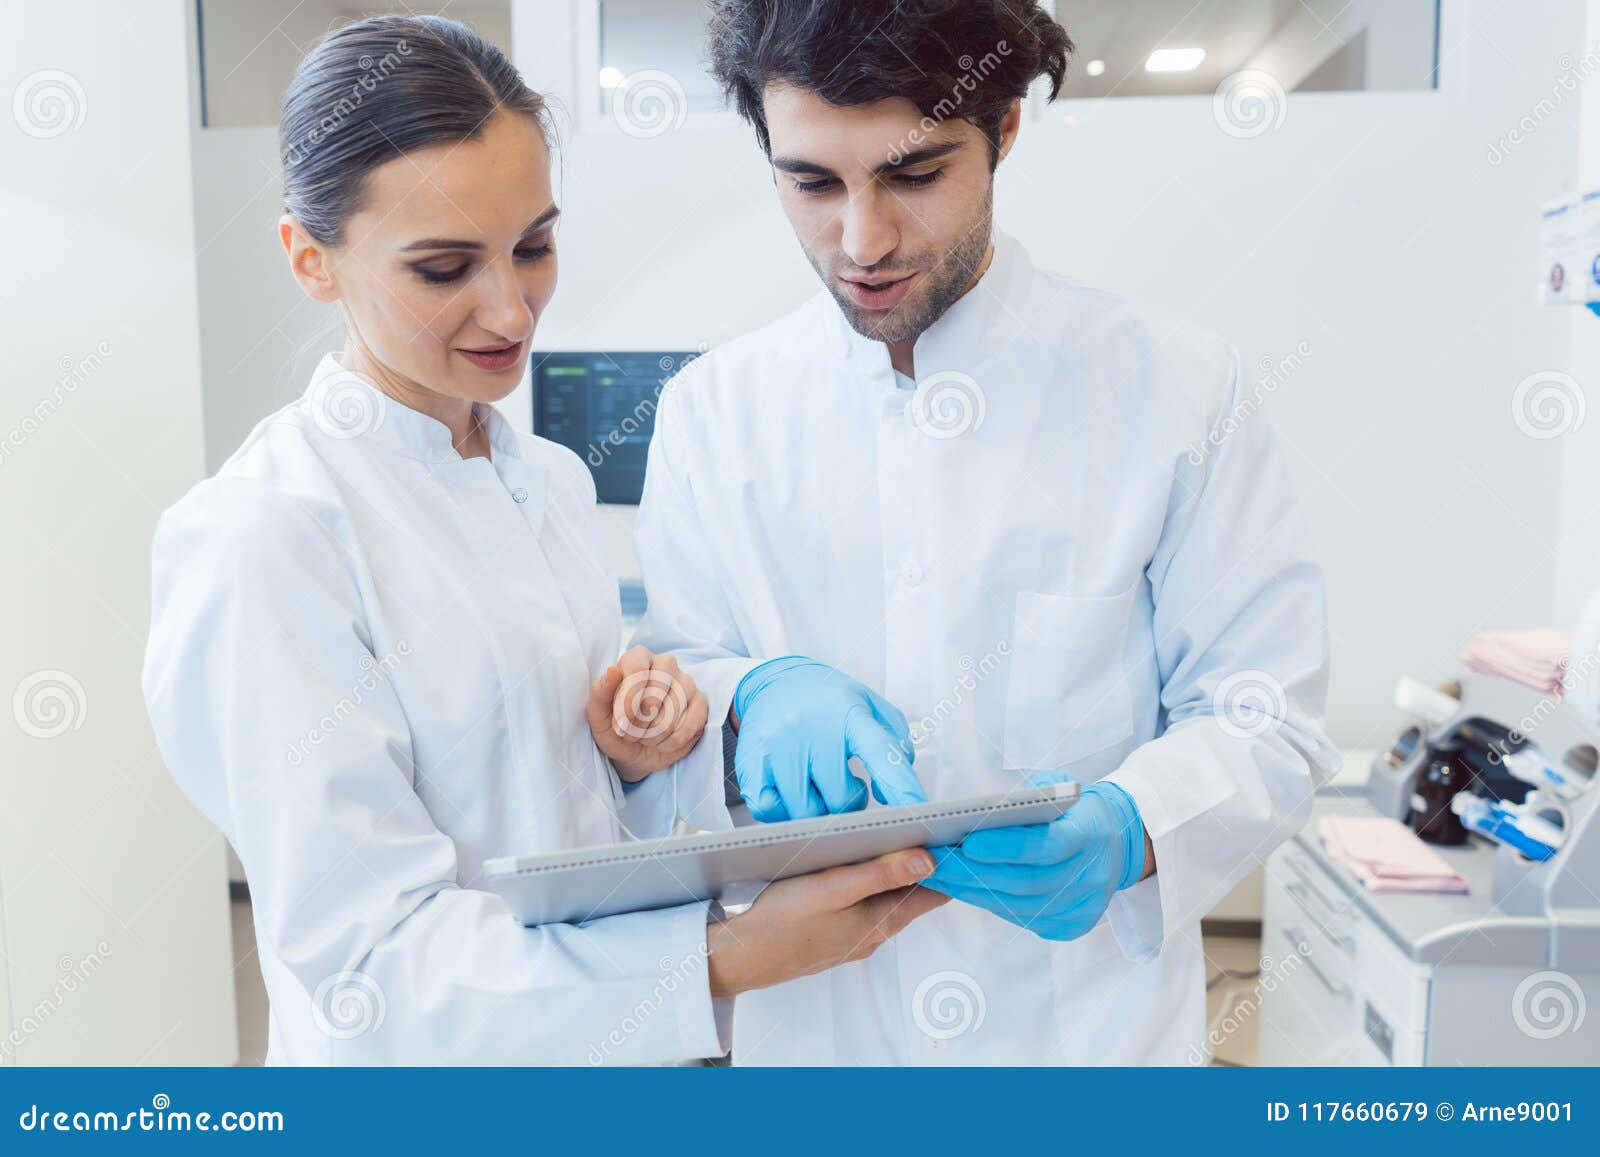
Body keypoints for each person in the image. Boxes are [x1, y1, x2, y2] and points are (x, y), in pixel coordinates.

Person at [141, 14, 945, 1066]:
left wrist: (651, 751)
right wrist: (723, 958)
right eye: (442, 268)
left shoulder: (547, 482)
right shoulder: (263, 538)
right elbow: (372, 972)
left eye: (534, 246)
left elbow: (572, 829)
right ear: (310, 259)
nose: (511, 309)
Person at [631, 0, 1340, 1064]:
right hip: (821, 1043)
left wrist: (1132, 825)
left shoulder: (1178, 391)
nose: (860, 240)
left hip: (1084, 1046)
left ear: (1003, 129)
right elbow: (675, 695)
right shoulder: (713, 410)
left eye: (914, 174)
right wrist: (748, 696)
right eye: (812, 182)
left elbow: (1267, 717)